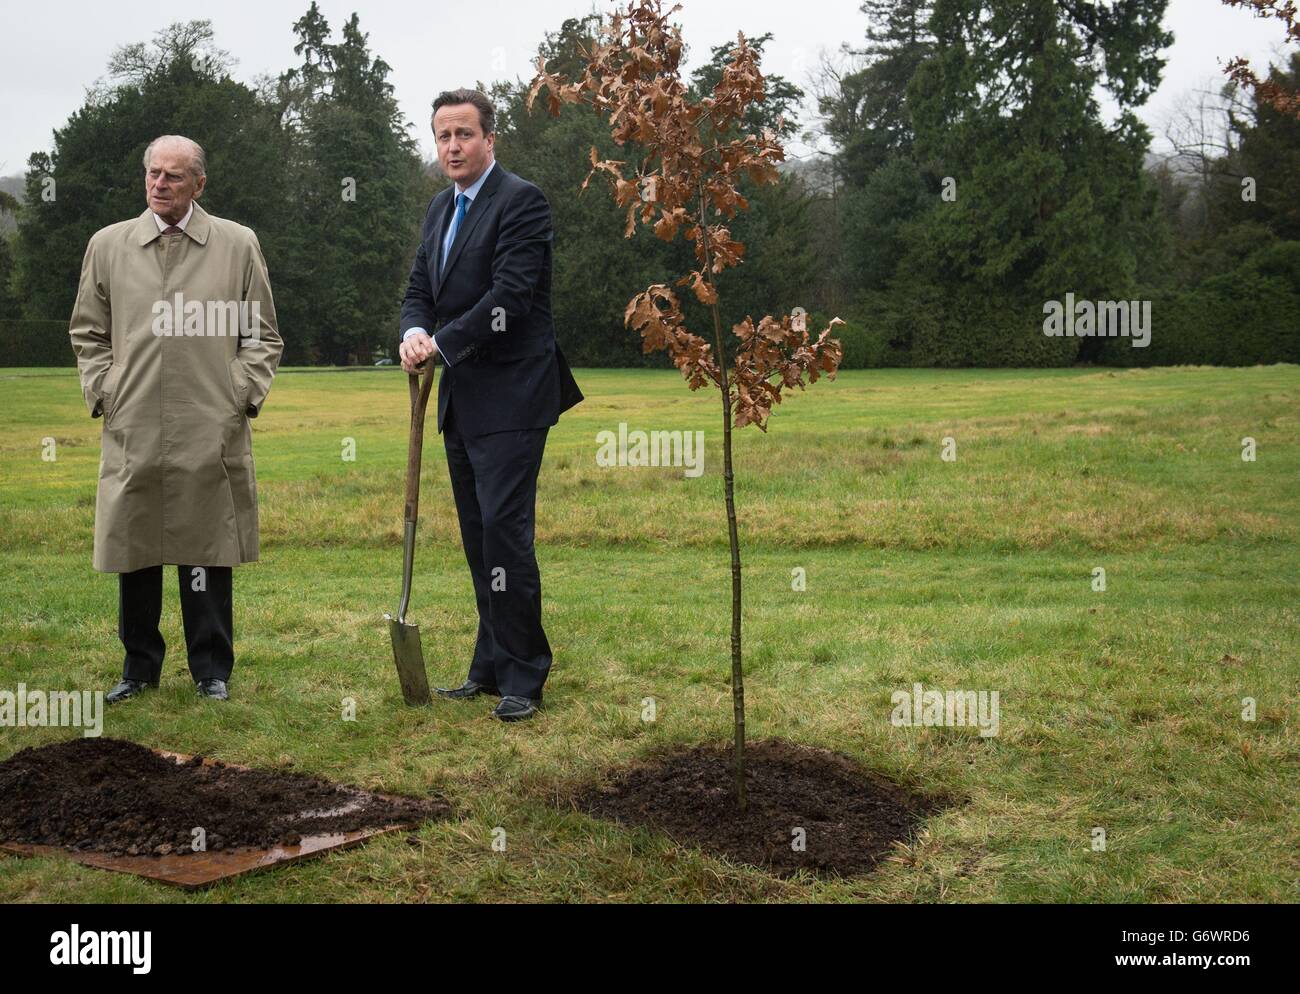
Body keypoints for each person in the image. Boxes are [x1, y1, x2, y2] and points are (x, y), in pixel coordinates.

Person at [69, 135, 283, 704]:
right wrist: (105, 390)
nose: (159, 184)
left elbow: (262, 335)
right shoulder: (108, 246)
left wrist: (237, 394)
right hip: (132, 420)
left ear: (199, 184)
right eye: (153, 174)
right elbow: (87, 332)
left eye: (173, 176)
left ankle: (211, 669)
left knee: (206, 545)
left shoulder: (237, 245)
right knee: (134, 544)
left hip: (208, 422)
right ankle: (138, 668)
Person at [399, 88, 583, 722]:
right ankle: (488, 666)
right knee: (479, 537)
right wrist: (413, 334)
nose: (452, 146)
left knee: (505, 535)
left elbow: (511, 300)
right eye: (443, 135)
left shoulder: (521, 202)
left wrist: (441, 346)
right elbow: (420, 287)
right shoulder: (437, 210)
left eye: (463, 135)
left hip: (513, 396)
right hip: (461, 400)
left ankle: (524, 675)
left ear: (489, 140)